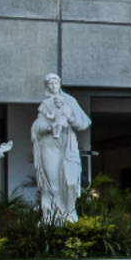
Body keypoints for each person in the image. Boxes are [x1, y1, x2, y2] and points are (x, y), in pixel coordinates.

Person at [31, 74, 91, 222]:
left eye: (55, 83)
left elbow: (84, 122)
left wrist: (69, 119)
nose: (53, 87)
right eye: (50, 84)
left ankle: (69, 214)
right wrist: (49, 127)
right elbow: (37, 126)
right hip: (49, 145)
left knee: (70, 181)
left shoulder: (70, 101)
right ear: (47, 87)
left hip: (67, 145)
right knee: (52, 183)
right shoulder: (45, 105)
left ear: (59, 84)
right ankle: (52, 217)